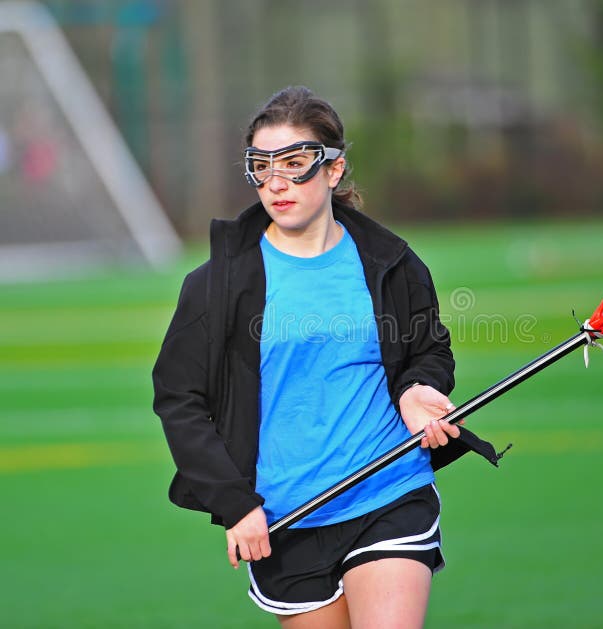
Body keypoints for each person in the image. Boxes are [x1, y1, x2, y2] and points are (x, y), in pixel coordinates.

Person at [152, 86, 498, 628]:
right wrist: (234, 502)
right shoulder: (217, 284)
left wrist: (417, 390)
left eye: (294, 163)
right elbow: (179, 399)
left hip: (388, 491)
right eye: (262, 166)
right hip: (286, 516)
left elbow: (428, 348)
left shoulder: (392, 262)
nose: (276, 182)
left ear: (333, 170)